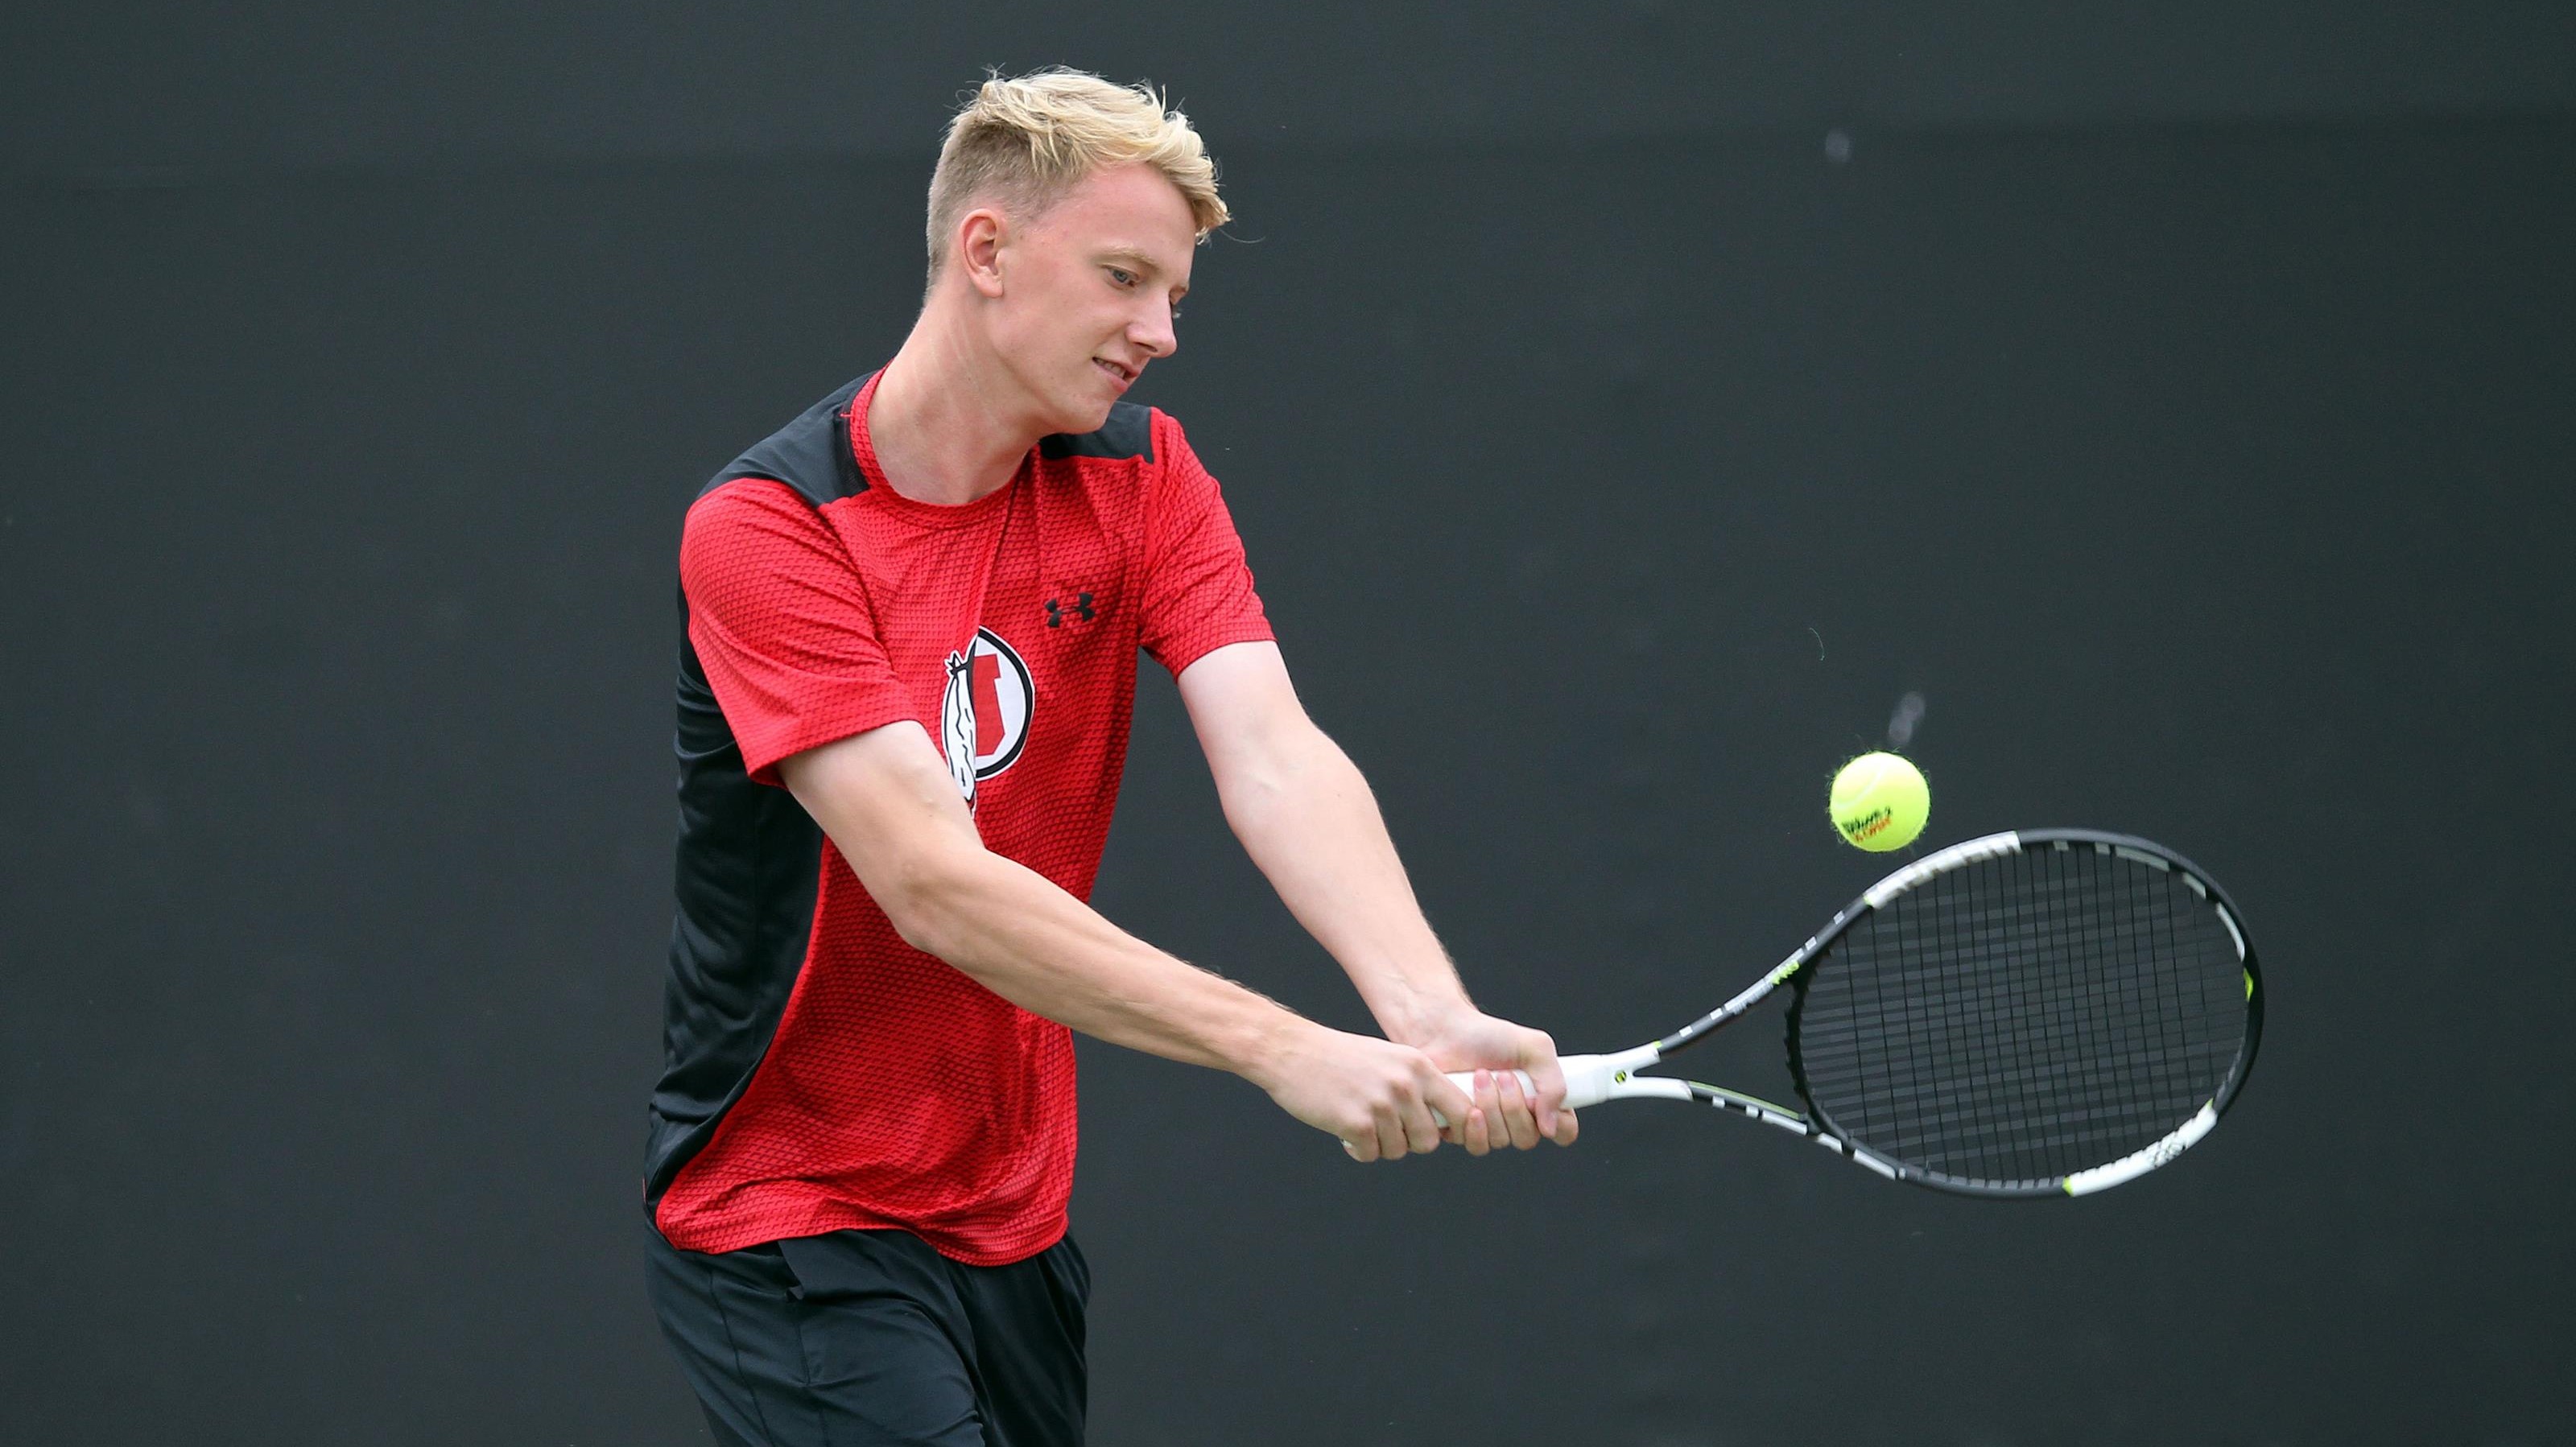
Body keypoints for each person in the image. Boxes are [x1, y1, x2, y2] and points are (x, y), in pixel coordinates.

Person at [642, 68, 1577, 1447]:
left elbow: (1275, 752)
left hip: (1014, 1220)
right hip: (796, 1214)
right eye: (1126, 278)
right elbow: (934, 886)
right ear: (988, 254)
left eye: (1176, 298)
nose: (1159, 334)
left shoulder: (1144, 475)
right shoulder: (771, 532)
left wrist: (1420, 1003)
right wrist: (1280, 1047)